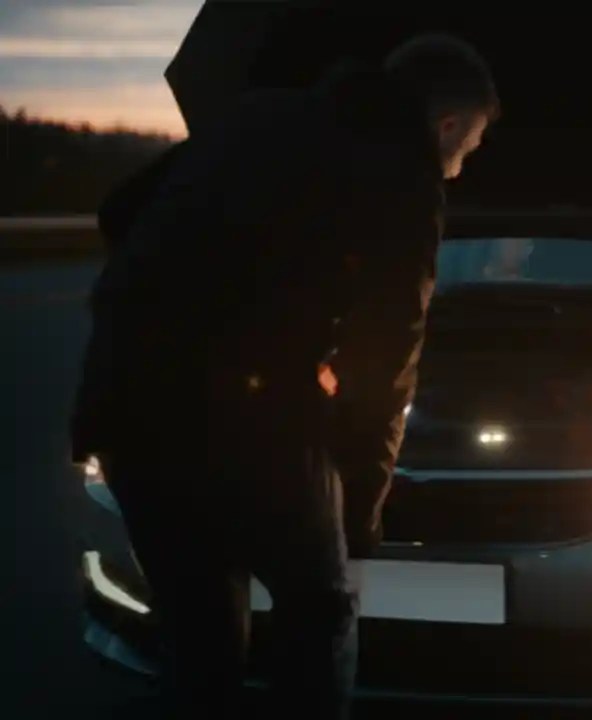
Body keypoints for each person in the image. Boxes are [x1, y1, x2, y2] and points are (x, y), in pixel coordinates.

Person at [69, 33, 498, 720]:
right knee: (320, 610)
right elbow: (389, 353)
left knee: (198, 638)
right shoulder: (405, 171)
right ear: (446, 124)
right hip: (252, 420)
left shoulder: (255, 114)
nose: (458, 170)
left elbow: (117, 211)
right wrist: (364, 501)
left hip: (122, 406)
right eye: (468, 147)